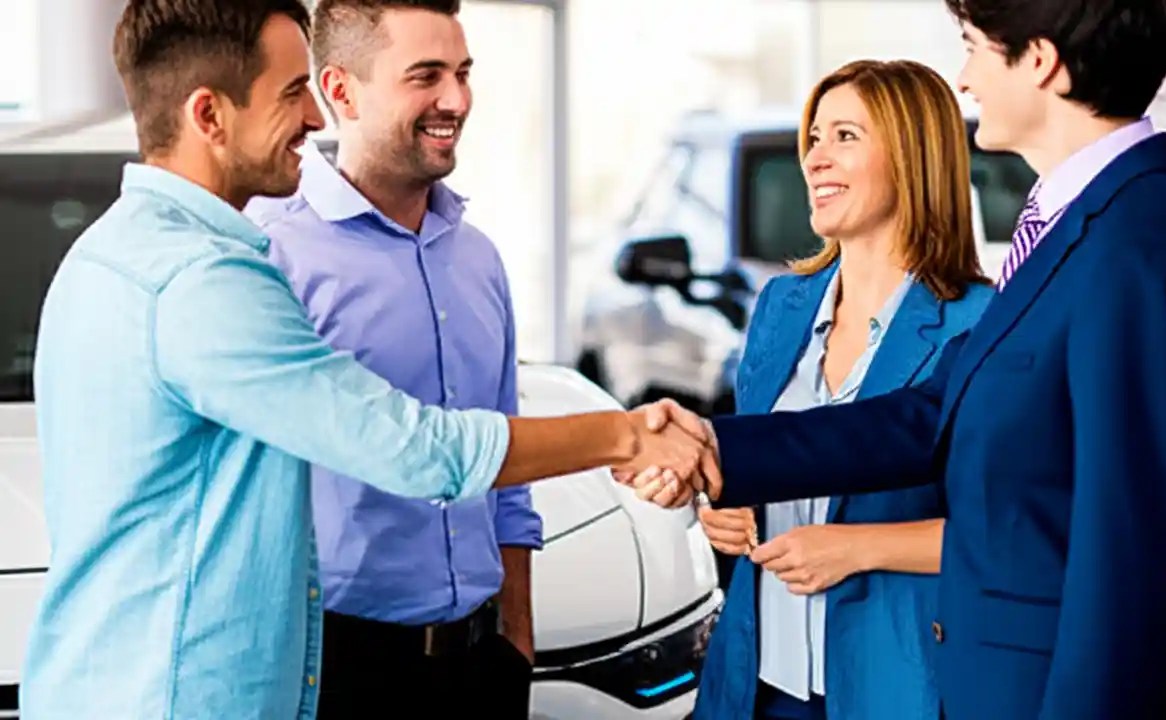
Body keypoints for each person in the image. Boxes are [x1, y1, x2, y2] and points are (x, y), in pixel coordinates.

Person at [20, 2, 703, 719]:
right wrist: (624, 434)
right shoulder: (207, 279)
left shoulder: (110, 254)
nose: (314, 119)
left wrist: (514, 640)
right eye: (292, 93)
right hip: (184, 693)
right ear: (209, 115)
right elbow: (417, 449)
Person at [632, 1, 1166, 718]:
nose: (965, 76)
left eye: (976, 46)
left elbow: (1130, 570)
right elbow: (925, 419)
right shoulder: (1074, 225)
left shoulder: (1137, 247)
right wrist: (716, 447)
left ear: (1039, 61)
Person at [243, 1, 537, 717]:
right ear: (340, 91)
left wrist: (518, 643)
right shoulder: (271, 252)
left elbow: (508, 475)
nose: (457, 100)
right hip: (338, 671)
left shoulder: (479, 258)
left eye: (463, 74)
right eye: (426, 76)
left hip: (478, 665)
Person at [682, 59, 992, 720]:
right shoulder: (780, 305)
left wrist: (857, 548)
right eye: (814, 139)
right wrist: (725, 512)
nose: (816, 159)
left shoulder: (983, 322)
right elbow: (763, 457)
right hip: (756, 683)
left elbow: (1006, 530)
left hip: (896, 684)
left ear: (913, 157)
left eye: (846, 137)